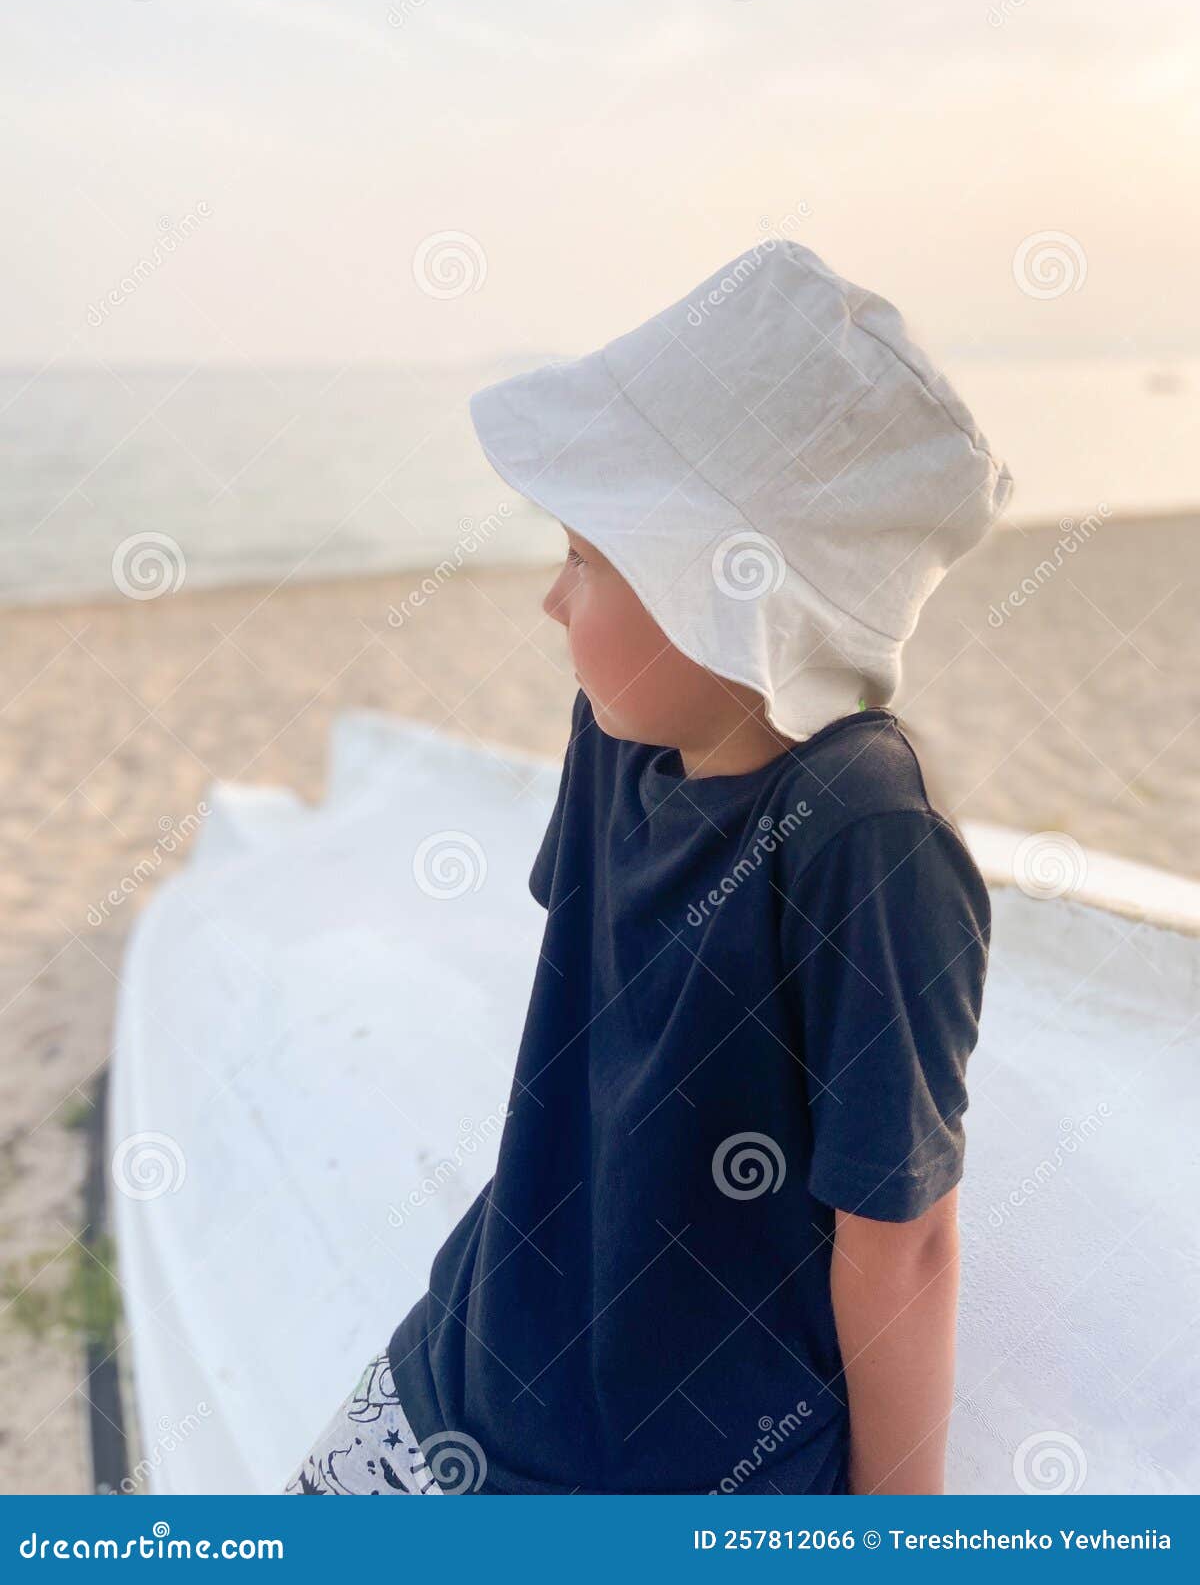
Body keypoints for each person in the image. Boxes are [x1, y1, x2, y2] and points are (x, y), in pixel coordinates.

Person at [285, 238, 1013, 1496]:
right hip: (465, 1360)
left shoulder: (867, 841)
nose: (553, 602)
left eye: (585, 556)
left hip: (667, 1478)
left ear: (721, 593)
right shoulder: (622, 735)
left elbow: (904, 1235)